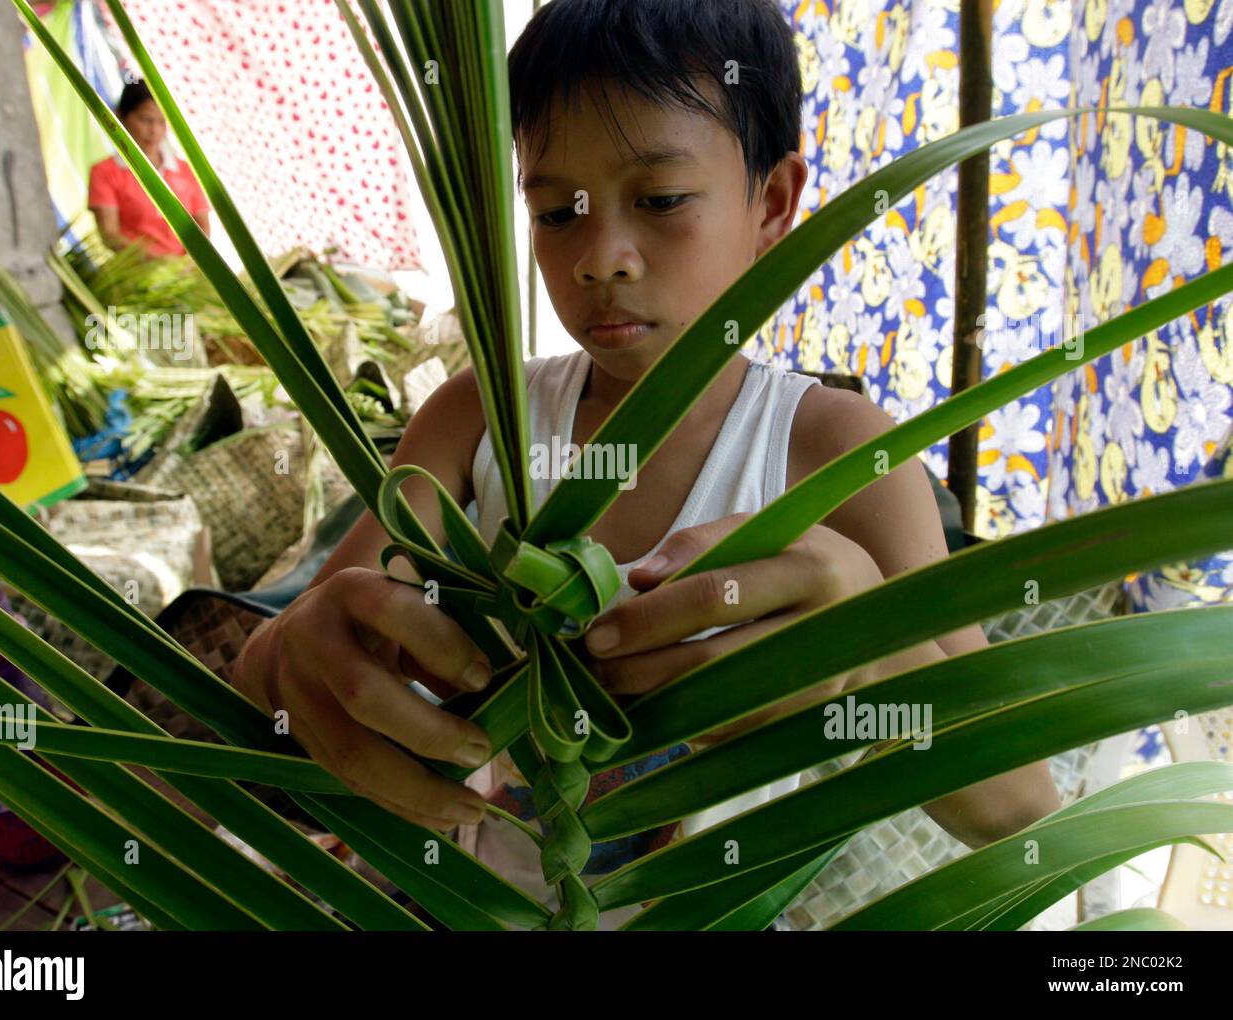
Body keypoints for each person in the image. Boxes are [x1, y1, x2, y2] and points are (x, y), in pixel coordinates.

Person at [232, 0, 1062, 927]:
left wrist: (865, 656)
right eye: (555, 213)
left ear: (773, 202)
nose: (600, 259)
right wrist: (297, 655)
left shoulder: (835, 453)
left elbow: (1020, 811)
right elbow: (274, 680)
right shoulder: (481, 419)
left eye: (661, 200)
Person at [88, 80, 210, 257]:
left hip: (185, 272)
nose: (154, 130)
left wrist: (187, 266)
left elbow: (203, 230)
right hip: (134, 274)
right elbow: (110, 235)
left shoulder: (186, 171)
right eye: (146, 120)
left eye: (162, 122)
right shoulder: (105, 172)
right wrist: (157, 263)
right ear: (121, 117)